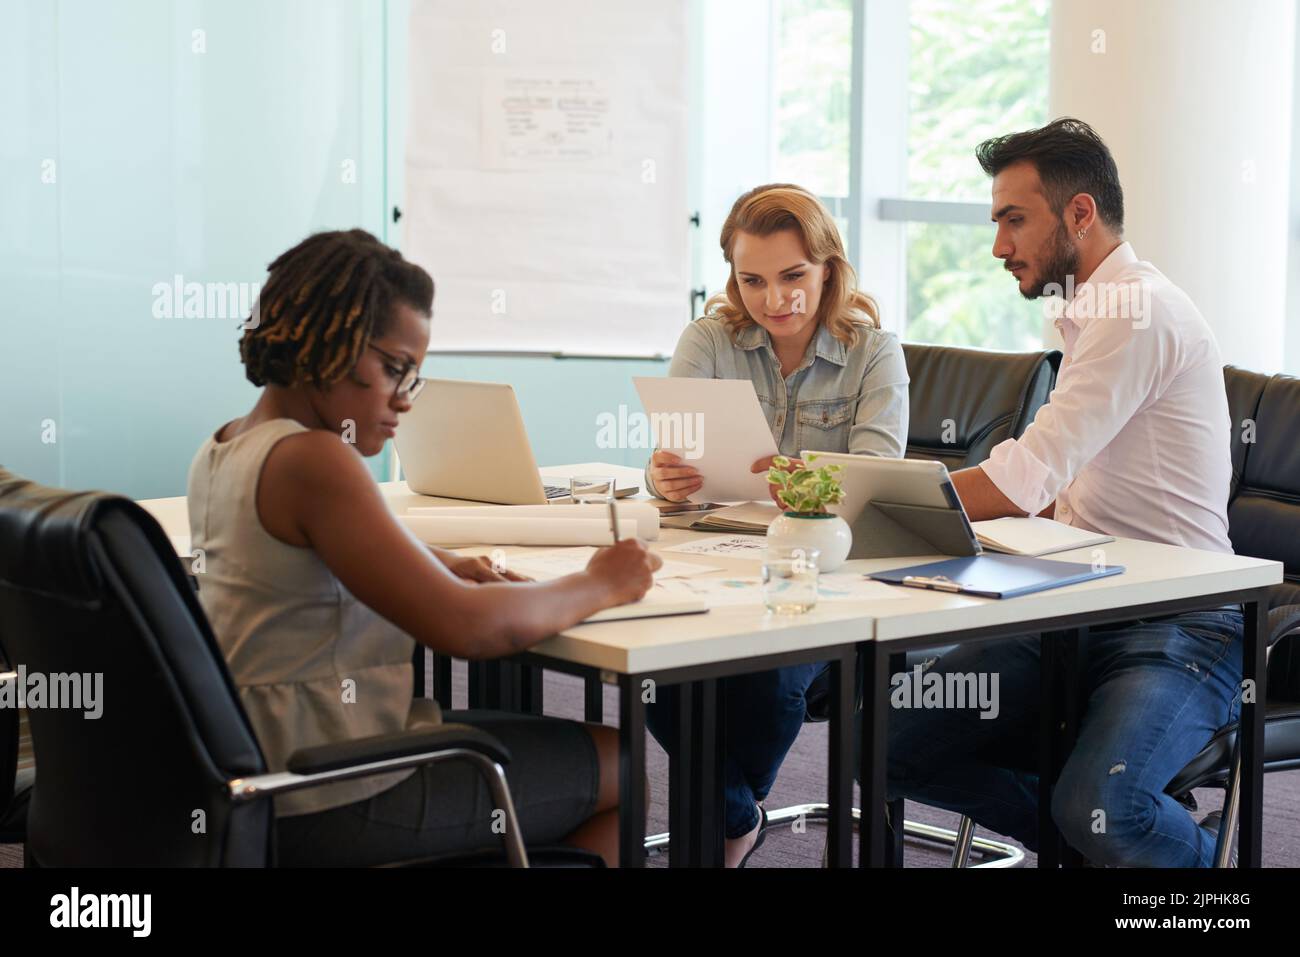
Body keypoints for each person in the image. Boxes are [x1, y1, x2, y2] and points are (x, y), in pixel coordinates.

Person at [188, 228, 662, 866]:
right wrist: (603, 582)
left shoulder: (232, 444)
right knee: (623, 763)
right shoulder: (315, 458)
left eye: (415, 375)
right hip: (335, 793)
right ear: (329, 340)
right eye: (394, 369)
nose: (405, 399)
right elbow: (465, 630)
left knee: (576, 750)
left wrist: (441, 564)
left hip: (260, 776)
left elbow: (309, 561)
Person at [886, 118, 1241, 867]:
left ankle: (1196, 872)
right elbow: (1056, 493)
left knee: (1105, 806)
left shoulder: (1134, 310)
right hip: (1075, 602)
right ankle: (1086, 848)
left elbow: (1025, 475)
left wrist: (879, 503)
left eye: (1014, 219)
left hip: (1177, 623)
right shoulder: (1086, 314)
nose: (997, 245)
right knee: (886, 742)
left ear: (1080, 213)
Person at [644, 184, 910, 866]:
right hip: (717, 559)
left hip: (824, 578)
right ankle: (741, 815)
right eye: (751, 279)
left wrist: (800, 478)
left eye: (793, 275)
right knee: (660, 680)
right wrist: (661, 476)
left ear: (828, 267)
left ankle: (729, 823)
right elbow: (670, 456)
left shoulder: (875, 352)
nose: (774, 299)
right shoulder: (709, 339)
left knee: (766, 680)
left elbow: (876, 481)